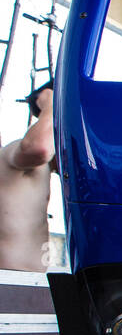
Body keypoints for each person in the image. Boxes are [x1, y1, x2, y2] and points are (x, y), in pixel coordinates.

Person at [0, 81, 55, 272]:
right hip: (10, 285)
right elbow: (39, 147)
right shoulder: (8, 157)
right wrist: (50, 102)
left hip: (25, 287)